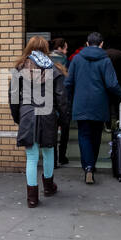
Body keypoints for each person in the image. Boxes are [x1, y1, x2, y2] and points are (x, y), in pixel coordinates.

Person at [10, 36, 70, 208]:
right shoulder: (55, 69)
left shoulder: (19, 68)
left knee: (31, 156)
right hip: (48, 114)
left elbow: (13, 97)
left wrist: (18, 117)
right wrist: (64, 120)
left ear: (29, 48)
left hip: (27, 115)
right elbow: (61, 98)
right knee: (49, 151)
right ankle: (49, 188)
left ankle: (32, 198)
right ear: (46, 49)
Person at [64, 31, 121, 185]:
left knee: (84, 135)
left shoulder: (77, 59)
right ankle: (91, 165)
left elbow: (69, 83)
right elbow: (112, 83)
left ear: (87, 43)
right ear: (101, 44)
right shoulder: (105, 60)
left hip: (81, 104)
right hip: (99, 104)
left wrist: (67, 101)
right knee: (95, 136)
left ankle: (87, 167)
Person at [49, 37, 71, 167]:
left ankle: (53, 160)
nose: (67, 51)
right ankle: (62, 157)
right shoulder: (65, 61)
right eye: (66, 48)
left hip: (49, 100)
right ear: (60, 48)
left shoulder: (45, 60)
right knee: (65, 130)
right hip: (63, 98)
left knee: (51, 132)